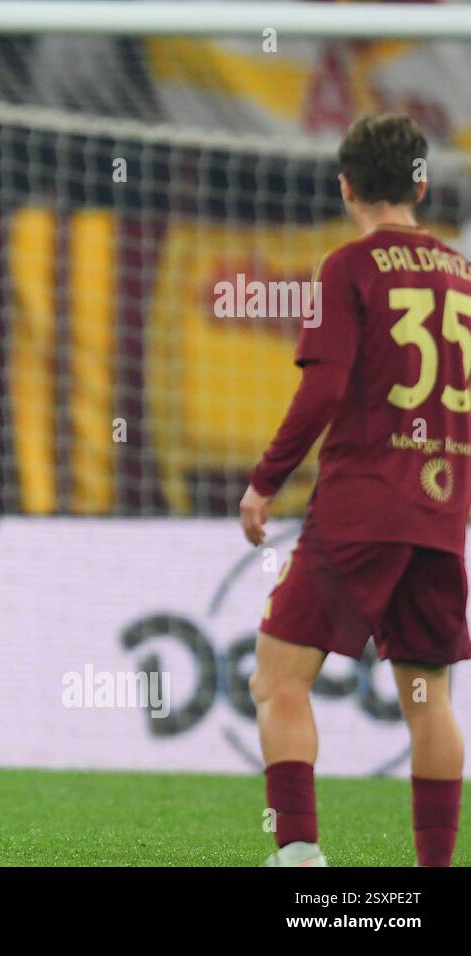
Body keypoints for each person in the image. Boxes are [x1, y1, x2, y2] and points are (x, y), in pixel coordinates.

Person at [241, 113, 469, 867]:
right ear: (421, 185)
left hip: (361, 507)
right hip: (441, 514)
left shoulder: (348, 267)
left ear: (346, 189)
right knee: (429, 697)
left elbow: (324, 391)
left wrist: (265, 482)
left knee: (277, 681)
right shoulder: (465, 278)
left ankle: (299, 854)